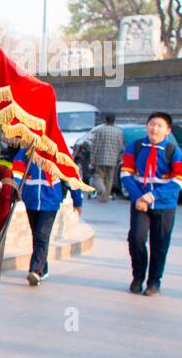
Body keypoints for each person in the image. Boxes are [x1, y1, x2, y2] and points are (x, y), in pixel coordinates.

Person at [120, 111, 182, 296]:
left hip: (164, 204)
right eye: (152, 124)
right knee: (136, 238)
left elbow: (179, 180)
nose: (154, 128)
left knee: (160, 243)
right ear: (146, 126)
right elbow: (126, 174)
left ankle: (154, 281)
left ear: (167, 131)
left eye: (159, 126)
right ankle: (138, 277)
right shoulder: (136, 147)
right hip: (140, 202)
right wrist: (138, 198)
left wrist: (153, 196)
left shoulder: (173, 151)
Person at [12, 147, 82, 286]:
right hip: (31, 199)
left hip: (50, 200)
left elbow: (70, 175)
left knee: (42, 234)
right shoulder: (27, 149)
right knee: (36, 234)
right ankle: (43, 268)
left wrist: (77, 200)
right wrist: (15, 187)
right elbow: (18, 170)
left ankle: (35, 271)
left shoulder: (57, 150)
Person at [84, 112, 126, 202]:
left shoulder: (100, 130)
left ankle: (102, 190)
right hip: (113, 159)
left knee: (98, 176)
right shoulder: (119, 132)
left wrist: (92, 160)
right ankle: (105, 197)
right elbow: (120, 146)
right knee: (109, 178)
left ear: (105, 119)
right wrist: (119, 157)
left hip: (100, 158)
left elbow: (95, 146)